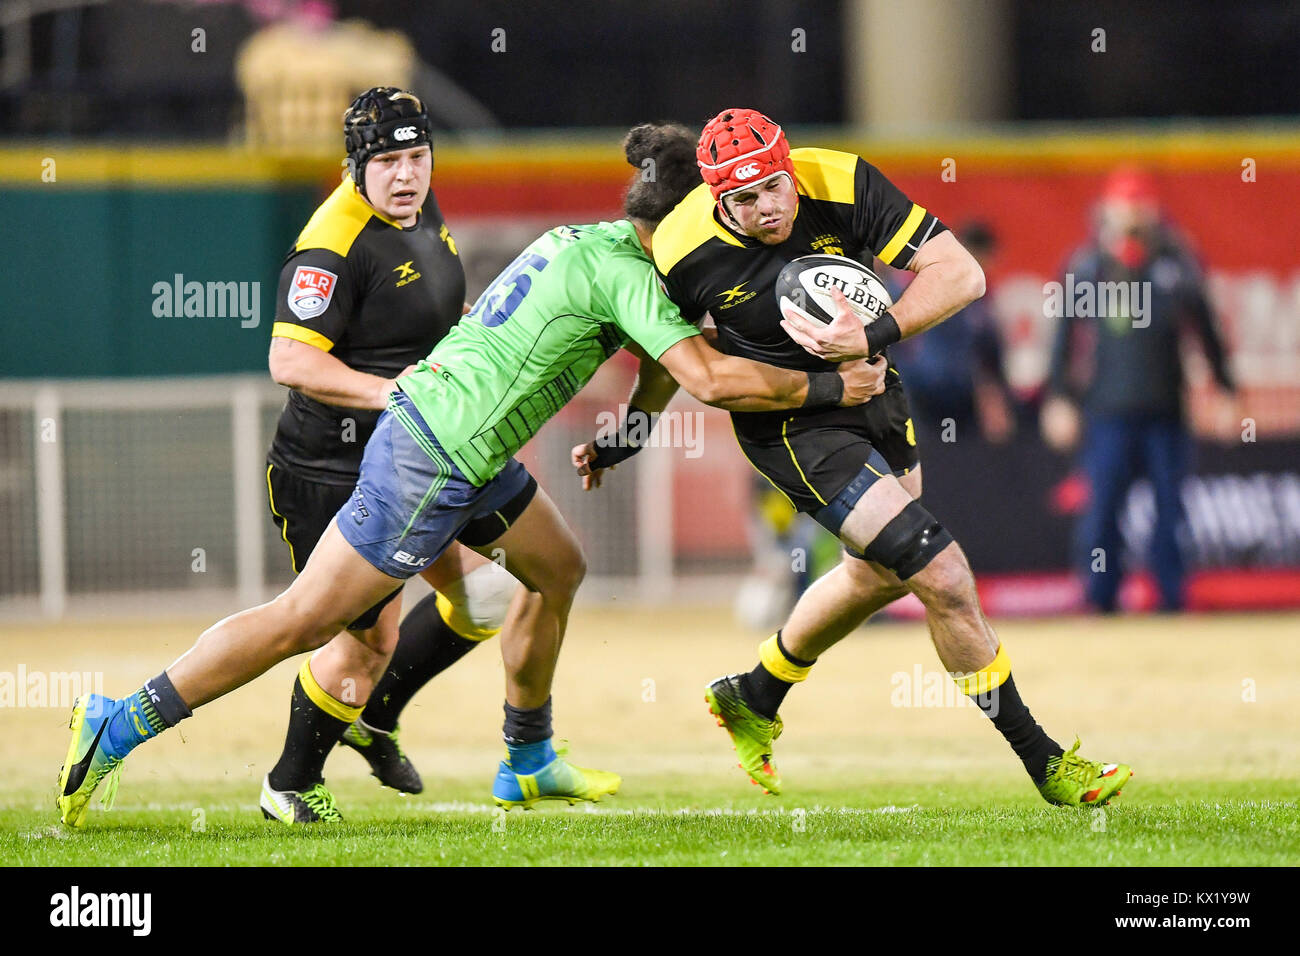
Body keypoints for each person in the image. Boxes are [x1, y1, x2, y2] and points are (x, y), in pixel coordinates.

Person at [55, 123, 886, 829]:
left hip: (469, 445)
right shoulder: (632, 275)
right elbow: (705, 375)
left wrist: (626, 435)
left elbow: (667, 358)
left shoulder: (598, 245)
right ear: (683, 217)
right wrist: (831, 385)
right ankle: (118, 723)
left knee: (555, 569)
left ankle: (526, 757)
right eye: (715, 213)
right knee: (304, 623)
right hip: (436, 454)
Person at [577, 108, 1131, 807]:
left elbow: (960, 274)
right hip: (787, 426)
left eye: (774, 187)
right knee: (944, 576)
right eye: (743, 199)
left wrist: (872, 331)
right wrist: (631, 432)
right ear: (716, 199)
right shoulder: (683, 247)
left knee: (876, 575)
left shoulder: (837, 178)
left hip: (871, 387)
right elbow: (671, 360)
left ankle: (754, 693)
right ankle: (1045, 760)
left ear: (790, 167)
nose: (766, 209)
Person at [260, 86, 519, 823]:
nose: (406, 174)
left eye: (417, 156)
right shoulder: (331, 241)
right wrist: (390, 393)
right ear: (355, 165)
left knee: (491, 594)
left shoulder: (417, 206)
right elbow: (290, 361)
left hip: (412, 457)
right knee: (359, 636)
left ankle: (373, 719)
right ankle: (286, 781)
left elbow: (423, 314)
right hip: (330, 472)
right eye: (387, 161)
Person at [1040, 167, 1237, 612]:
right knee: (1102, 510)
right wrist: (1059, 398)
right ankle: (1099, 600)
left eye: (1139, 203)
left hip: (1166, 411)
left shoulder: (1175, 264)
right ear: (1107, 209)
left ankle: (1172, 599)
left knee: (1171, 511)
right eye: (1123, 203)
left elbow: (1206, 331)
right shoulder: (1089, 267)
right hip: (1107, 412)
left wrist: (1225, 389)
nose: (1131, 213)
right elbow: (1064, 341)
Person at [891, 221, 1015, 443]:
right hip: (923, 398)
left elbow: (990, 353)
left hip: (963, 405)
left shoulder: (982, 300)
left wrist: (994, 394)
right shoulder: (929, 286)